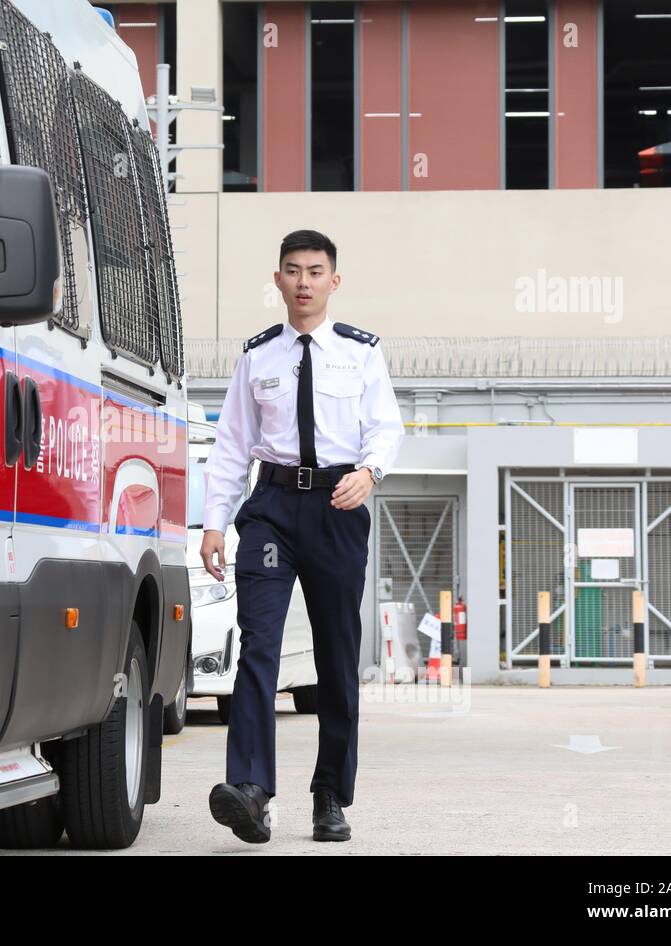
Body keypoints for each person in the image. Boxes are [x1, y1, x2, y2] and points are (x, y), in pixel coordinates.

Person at [200, 229, 405, 843]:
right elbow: (233, 444)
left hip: (338, 507)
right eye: (293, 271)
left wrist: (369, 474)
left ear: (333, 281)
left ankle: (329, 794)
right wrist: (214, 520)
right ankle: (251, 788)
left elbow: (387, 428)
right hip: (273, 509)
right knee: (258, 642)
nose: (304, 282)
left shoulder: (361, 352)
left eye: (316, 271)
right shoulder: (258, 355)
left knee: (336, 656)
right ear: (279, 280)